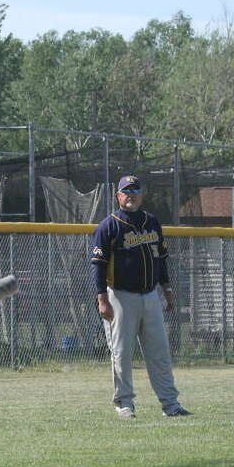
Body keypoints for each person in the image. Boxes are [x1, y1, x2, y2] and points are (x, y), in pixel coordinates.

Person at [91, 175, 190, 418]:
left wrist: (166, 289)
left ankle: (171, 404)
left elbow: (161, 260)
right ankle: (124, 403)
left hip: (150, 295)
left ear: (142, 195)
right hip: (120, 297)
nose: (131, 195)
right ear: (118, 196)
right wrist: (102, 299)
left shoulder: (151, 222)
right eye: (126, 191)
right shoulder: (109, 225)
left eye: (135, 190)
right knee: (122, 353)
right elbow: (98, 265)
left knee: (160, 353)